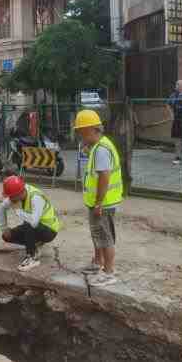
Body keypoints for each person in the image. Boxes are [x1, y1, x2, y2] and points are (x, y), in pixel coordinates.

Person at [74, 109, 124, 288]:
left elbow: (104, 176)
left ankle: (109, 272)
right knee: (98, 234)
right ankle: (98, 263)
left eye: (81, 131)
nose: (79, 135)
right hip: (96, 202)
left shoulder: (101, 149)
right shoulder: (97, 146)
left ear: (91, 129)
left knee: (105, 237)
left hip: (103, 203)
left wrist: (99, 202)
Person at [0, 175, 61, 272]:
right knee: (7, 236)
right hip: (33, 228)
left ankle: (32, 257)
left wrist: (18, 211)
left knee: (29, 224)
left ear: (19, 193)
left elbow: (34, 223)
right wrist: (4, 228)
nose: (10, 199)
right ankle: (35, 244)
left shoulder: (35, 197)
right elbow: (1, 208)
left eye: (11, 197)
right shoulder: (16, 195)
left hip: (49, 230)